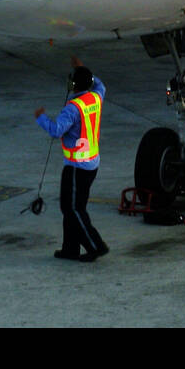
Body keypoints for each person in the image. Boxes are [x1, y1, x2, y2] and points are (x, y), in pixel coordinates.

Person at [34, 56, 109, 262]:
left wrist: (41, 117)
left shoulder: (73, 108)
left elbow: (56, 130)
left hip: (76, 166)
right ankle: (70, 248)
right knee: (72, 206)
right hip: (91, 162)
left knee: (72, 208)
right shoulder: (96, 97)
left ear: (73, 85)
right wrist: (83, 68)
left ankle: (95, 246)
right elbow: (100, 84)